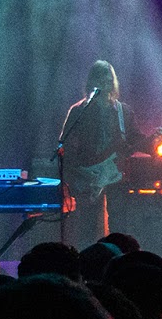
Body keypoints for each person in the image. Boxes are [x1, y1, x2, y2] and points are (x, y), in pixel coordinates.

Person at [60, 60, 150, 245]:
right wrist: (79, 171)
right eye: (101, 80)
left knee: (119, 225)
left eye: (109, 80)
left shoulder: (122, 111)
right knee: (87, 226)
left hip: (116, 174)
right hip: (87, 176)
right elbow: (66, 146)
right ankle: (87, 266)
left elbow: (136, 139)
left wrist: (155, 141)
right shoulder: (79, 111)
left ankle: (118, 264)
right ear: (92, 82)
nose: (107, 83)